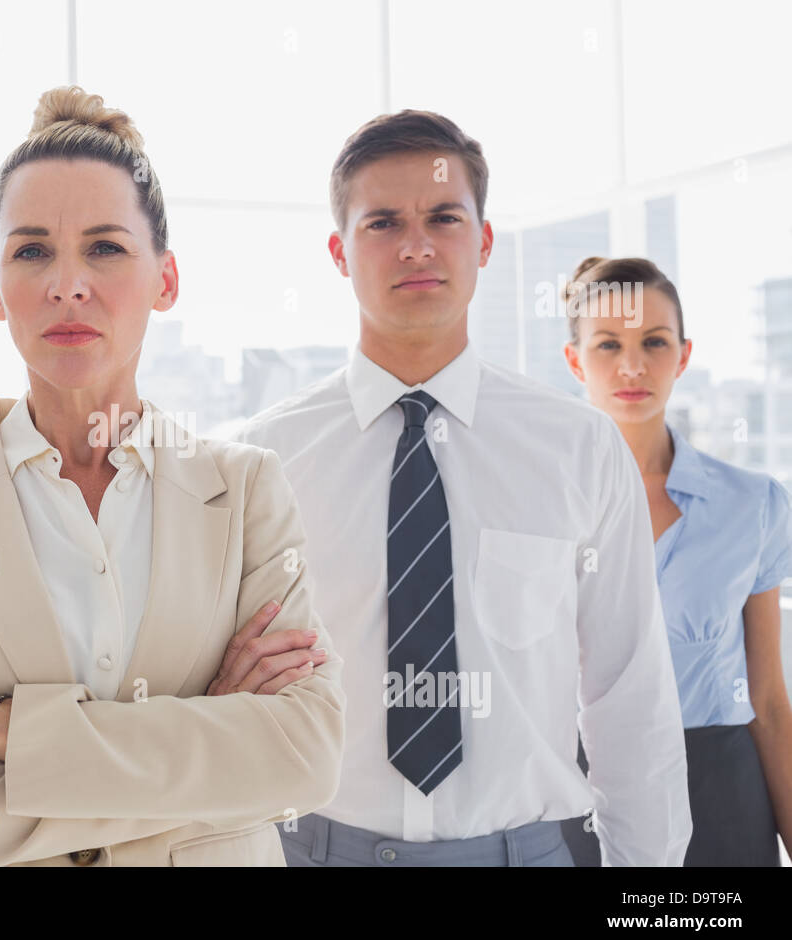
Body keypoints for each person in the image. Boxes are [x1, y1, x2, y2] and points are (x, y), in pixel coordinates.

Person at [0, 86, 345, 867]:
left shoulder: (245, 492)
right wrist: (202, 743)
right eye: (32, 250)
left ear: (165, 279)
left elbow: (306, 755)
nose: (68, 283)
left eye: (105, 247)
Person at [234, 110, 691, 866]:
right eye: (382, 222)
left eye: (444, 217)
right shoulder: (264, 458)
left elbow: (627, 695)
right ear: (338, 254)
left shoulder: (578, 449)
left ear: (482, 242)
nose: (416, 244)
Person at [559, 255, 792, 866]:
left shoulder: (753, 504)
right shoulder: (536, 506)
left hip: (721, 795)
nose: (632, 366)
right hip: (576, 794)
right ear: (575, 360)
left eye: (653, 342)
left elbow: (768, 700)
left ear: (683, 355)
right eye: (608, 344)